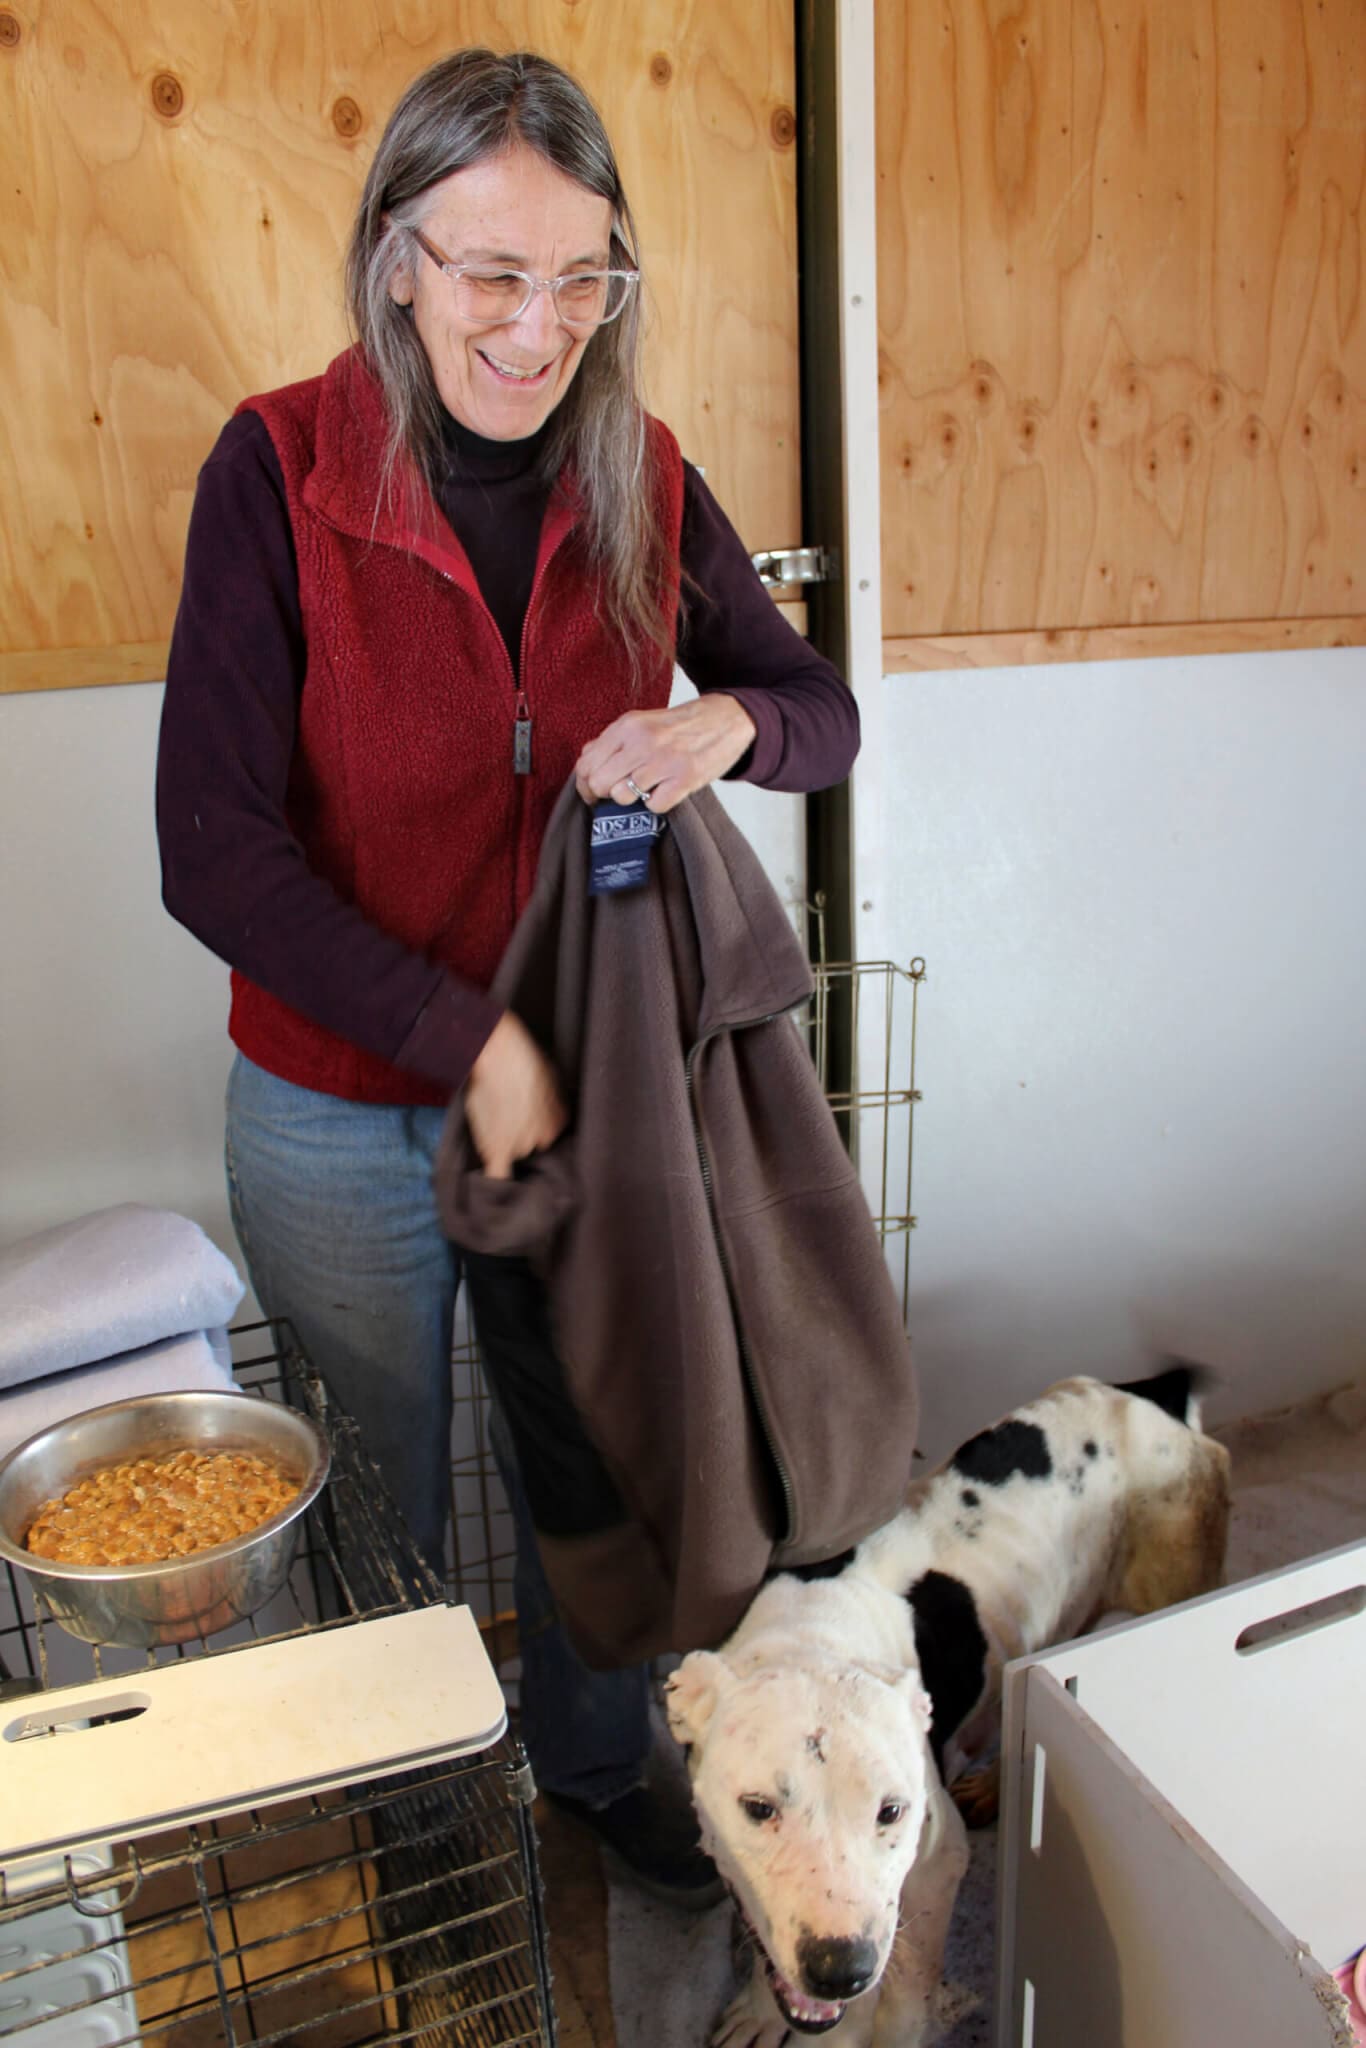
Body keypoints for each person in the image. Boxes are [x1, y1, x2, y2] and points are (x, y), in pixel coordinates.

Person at [156, 47, 860, 1906]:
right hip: (337, 1108)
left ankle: (599, 1762)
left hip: (586, 1107)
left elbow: (820, 716)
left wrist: (723, 722)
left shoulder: (642, 474)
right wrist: (460, 1039)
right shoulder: (282, 469)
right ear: (397, 258)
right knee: (383, 1484)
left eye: (582, 276)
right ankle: (409, 1812)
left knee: (593, 1453)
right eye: (490, 271)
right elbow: (211, 851)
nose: (538, 325)